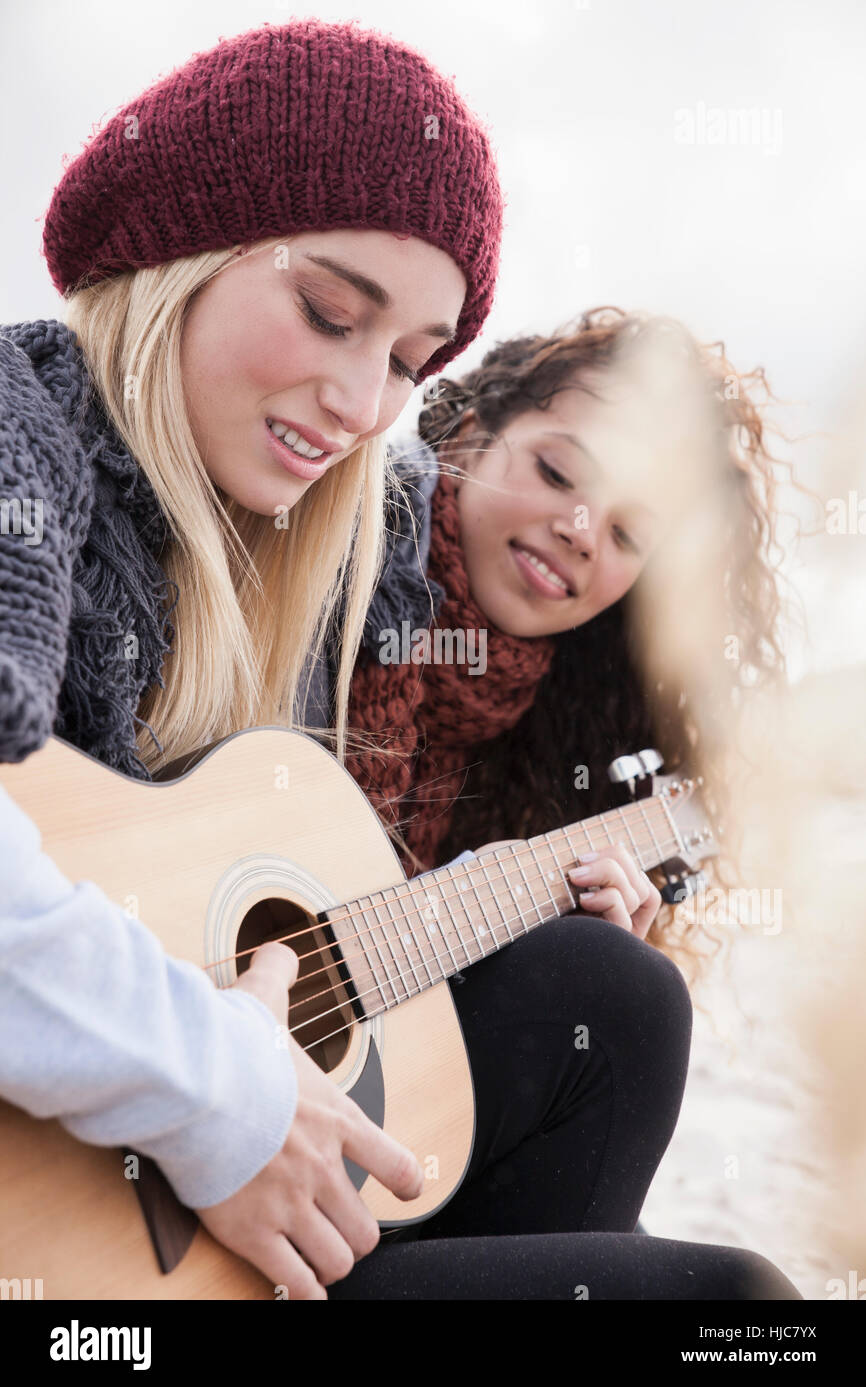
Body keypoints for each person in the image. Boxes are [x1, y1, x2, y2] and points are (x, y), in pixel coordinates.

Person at [0, 20, 800, 1299]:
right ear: (179, 247)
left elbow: (290, 921)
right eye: (328, 312)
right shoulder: (21, 432)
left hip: (198, 1190)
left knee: (618, 995)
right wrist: (220, 1095)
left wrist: (527, 892)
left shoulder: (296, 550)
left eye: (408, 362)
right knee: (736, 1309)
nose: (366, 404)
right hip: (79, 1257)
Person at [341, 309, 791, 980]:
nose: (582, 533)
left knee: (629, 988)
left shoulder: (564, 736)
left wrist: (571, 961)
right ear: (469, 440)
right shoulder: (327, 556)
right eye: (557, 473)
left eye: (627, 535)